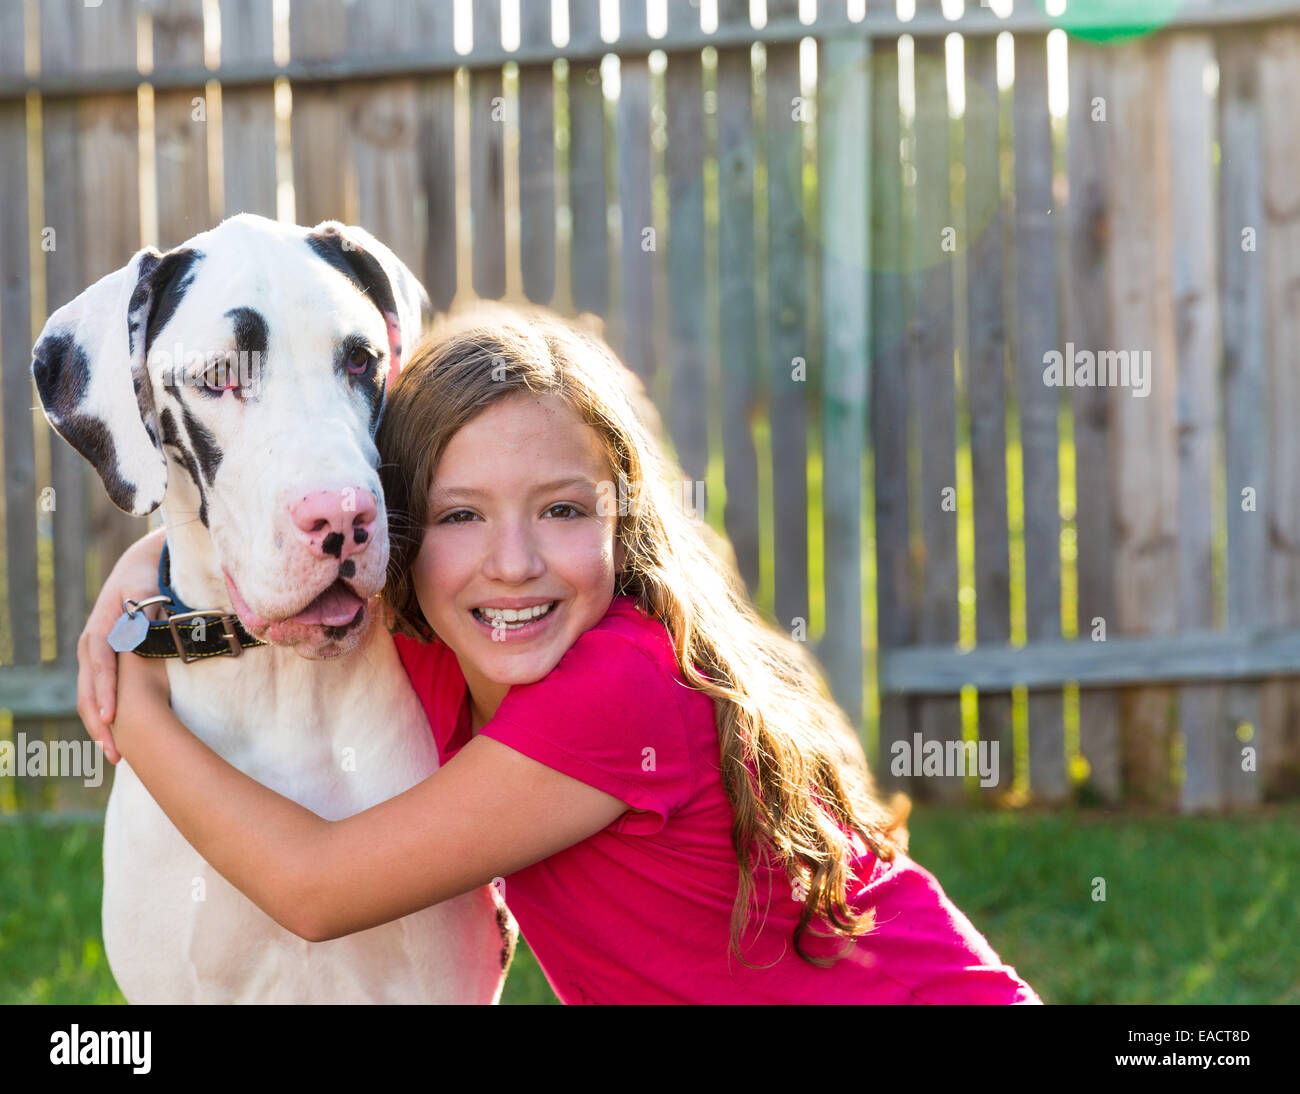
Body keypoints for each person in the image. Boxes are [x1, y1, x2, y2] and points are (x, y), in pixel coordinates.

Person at [83, 303, 1042, 1004]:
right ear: (402, 531)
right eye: (461, 515)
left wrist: (135, 711)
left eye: (564, 510)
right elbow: (255, 544)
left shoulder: (620, 686)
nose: (513, 565)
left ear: (625, 520)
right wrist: (142, 568)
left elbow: (316, 889)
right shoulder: (452, 649)